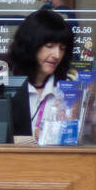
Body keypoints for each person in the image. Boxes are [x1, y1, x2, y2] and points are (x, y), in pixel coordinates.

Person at [7, 7, 74, 137]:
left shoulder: (68, 87)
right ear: (30, 45)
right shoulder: (5, 84)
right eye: (49, 46)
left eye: (62, 48)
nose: (57, 54)